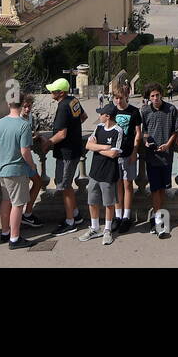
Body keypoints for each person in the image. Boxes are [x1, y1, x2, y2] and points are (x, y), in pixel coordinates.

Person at [0, 92, 38, 249]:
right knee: (18, 204)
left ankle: (5, 232)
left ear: (8, 104)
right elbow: (25, 151)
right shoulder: (23, 124)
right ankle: (14, 237)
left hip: (1, 168)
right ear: (21, 104)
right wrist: (32, 165)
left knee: (6, 201)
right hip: (16, 168)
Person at [46, 77, 88, 235]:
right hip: (74, 149)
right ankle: (75, 215)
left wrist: (48, 142)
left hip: (66, 152)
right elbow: (83, 117)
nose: (51, 92)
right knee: (66, 184)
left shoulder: (63, 106)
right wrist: (74, 129)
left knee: (64, 186)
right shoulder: (73, 100)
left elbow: (61, 134)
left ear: (61, 93)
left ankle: (70, 222)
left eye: (53, 90)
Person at [139, 82, 178, 238]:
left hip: (166, 155)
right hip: (152, 155)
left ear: (161, 94)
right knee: (156, 188)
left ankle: (157, 215)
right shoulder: (145, 111)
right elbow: (143, 132)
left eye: (157, 95)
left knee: (163, 188)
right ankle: (157, 219)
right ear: (148, 98)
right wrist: (146, 141)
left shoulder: (171, 109)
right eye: (152, 96)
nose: (155, 98)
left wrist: (168, 144)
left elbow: (175, 130)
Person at [80, 103, 123, 246]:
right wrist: (103, 147)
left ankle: (107, 229)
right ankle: (94, 227)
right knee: (92, 201)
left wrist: (96, 148)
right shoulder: (98, 128)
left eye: (101, 114)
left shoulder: (118, 131)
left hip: (109, 173)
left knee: (109, 203)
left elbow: (113, 154)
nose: (99, 116)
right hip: (95, 172)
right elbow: (88, 145)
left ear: (108, 116)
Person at [110, 83, 142, 233]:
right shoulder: (111, 111)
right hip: (114, 153)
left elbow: (138, 134)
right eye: (115, 98)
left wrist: (135, 151)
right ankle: (117, 216)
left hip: (128, 152)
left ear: (126, 96)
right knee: (117, 186)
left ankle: (127, 216)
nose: (117, 101)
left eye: (120, 98)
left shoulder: (134, 111)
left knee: (128, 185)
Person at [19, 94, 44, 228]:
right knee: (27, 186)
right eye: (25, 106)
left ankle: (27, 214)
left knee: (37, 182)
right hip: (21, 159)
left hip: (25, 157)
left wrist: (36, 137)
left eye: (29, 106)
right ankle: (24, 215)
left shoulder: (28, 118)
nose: (28, 109)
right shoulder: (17, 119)